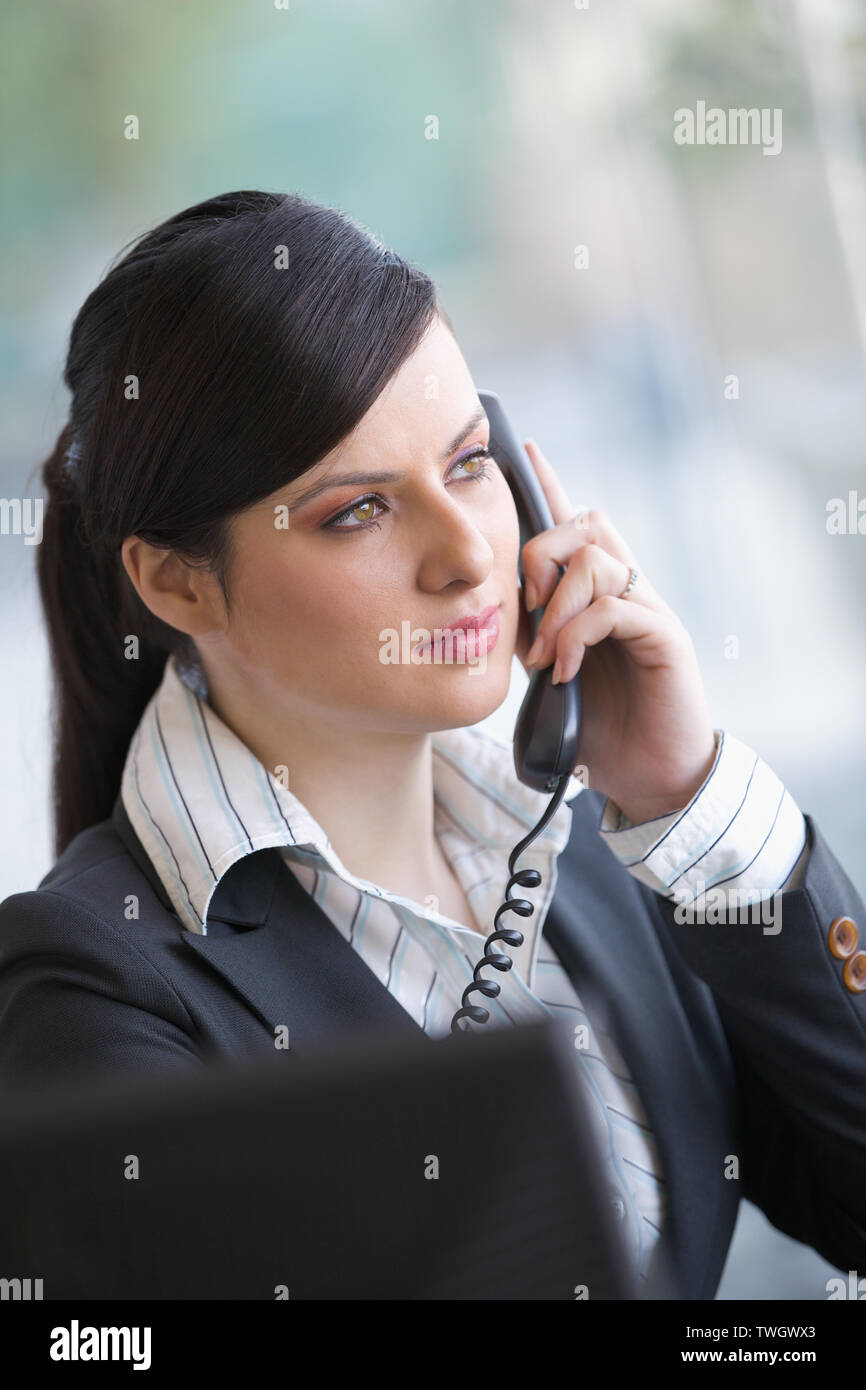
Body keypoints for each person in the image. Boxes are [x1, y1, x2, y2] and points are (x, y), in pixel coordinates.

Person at [1, 189, 864, 1301]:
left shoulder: (587, 844)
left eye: (466, 464)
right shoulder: (98, 990)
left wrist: (683, 795)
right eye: (357, 510)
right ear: (176, 578)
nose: (466, 552)